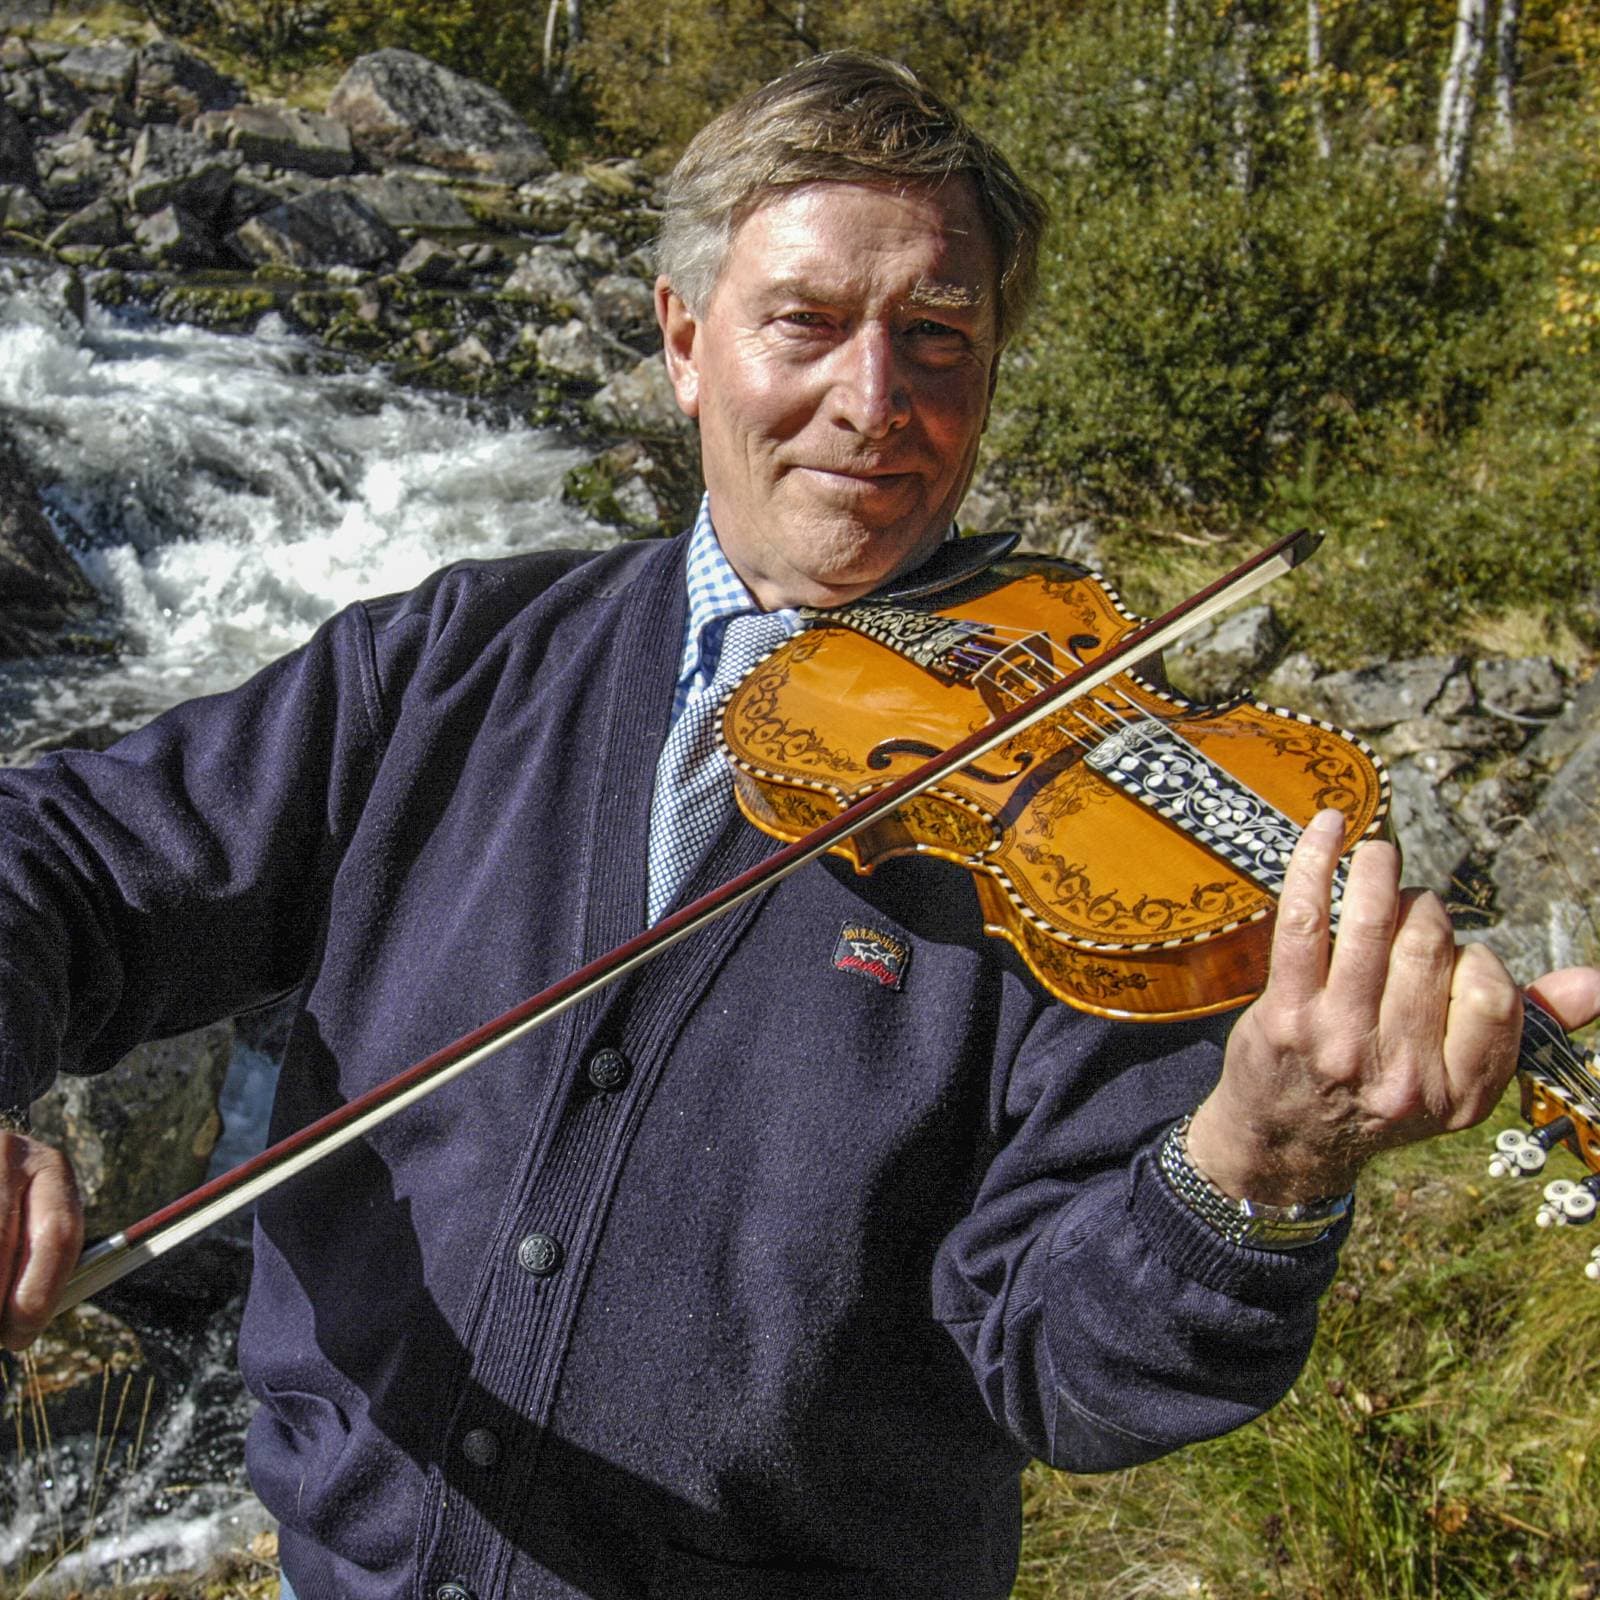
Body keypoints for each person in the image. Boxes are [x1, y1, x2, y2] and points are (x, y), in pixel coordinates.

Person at [1, 51, 1595, 1600]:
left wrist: (1256, 1170)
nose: (873, 402)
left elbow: (1078, 1368)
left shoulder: (1094, 829)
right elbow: (61, 860)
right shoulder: (447, 664)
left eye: (939, 337)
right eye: (807, 325)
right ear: (685, 342)